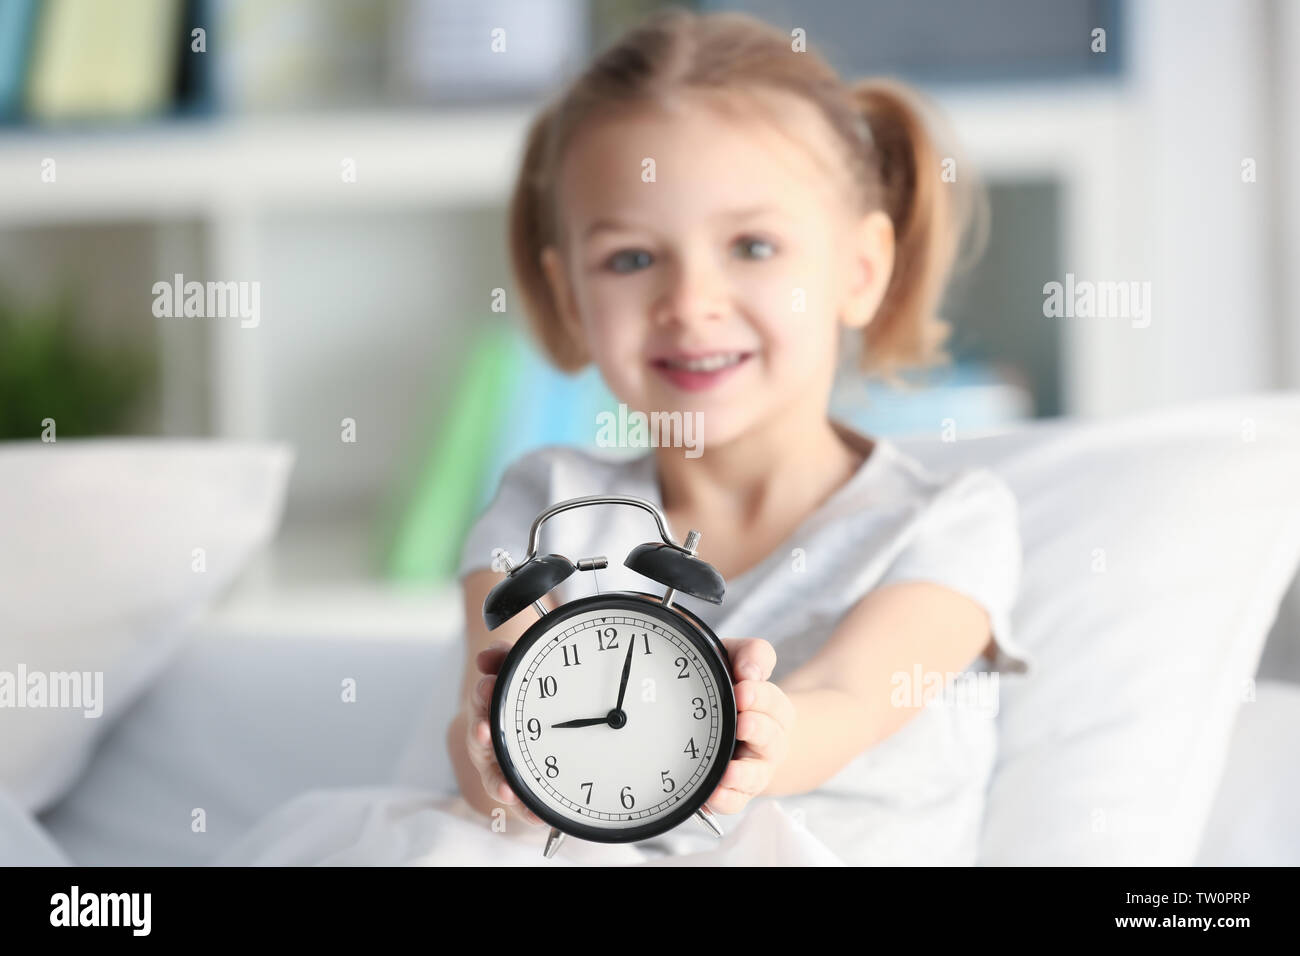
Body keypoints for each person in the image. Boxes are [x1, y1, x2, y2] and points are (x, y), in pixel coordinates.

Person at [217, 8, 1030, 867]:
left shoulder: (947, 524)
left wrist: (757, 742)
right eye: (632, 259)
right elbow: (480, 728)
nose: (690, 301)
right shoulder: (547, 508)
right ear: (570, 298)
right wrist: (495, 767)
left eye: (752, 246)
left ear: (861, 270)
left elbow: (849, 695)